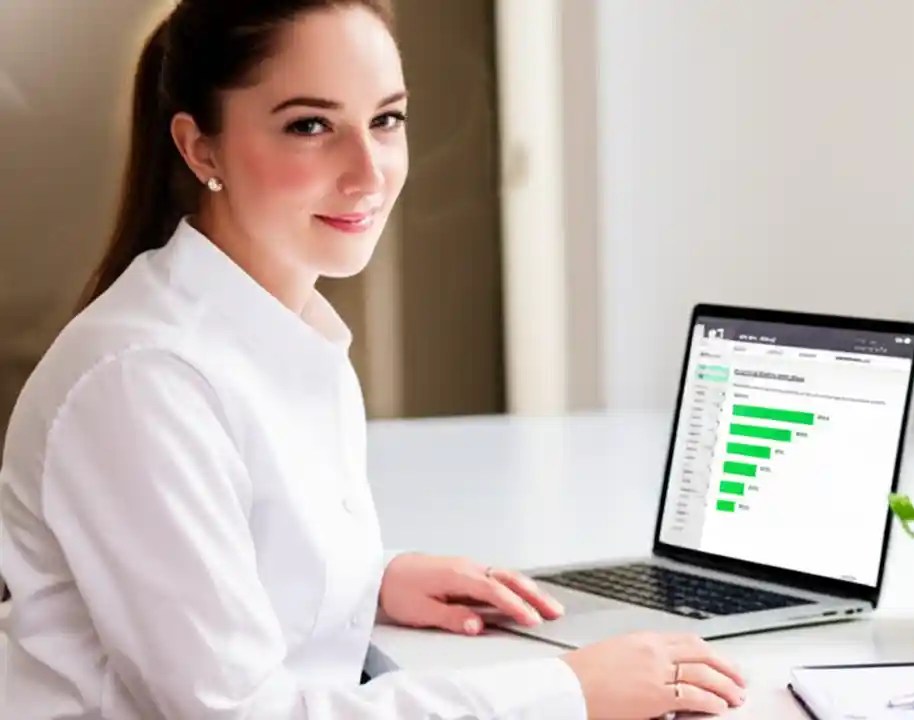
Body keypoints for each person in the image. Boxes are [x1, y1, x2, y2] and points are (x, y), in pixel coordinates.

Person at [0, 1, 748, 717]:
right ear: (201, 147)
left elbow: (215, 555)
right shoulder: (144, 382)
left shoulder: (281, 330)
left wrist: (371, 581)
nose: (369, 171)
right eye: (311, 124)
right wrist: (567, 693)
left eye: (387, 119)